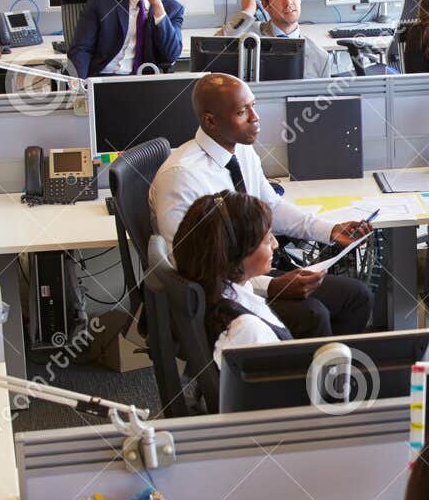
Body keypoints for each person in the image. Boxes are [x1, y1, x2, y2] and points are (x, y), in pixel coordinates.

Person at [149, 72, 374, 339]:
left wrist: (329, 230)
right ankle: (300, 375)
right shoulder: (181, 177)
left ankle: (331, 371)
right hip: (220, 293)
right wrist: (271, 286)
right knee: (313, 314)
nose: (255, 118)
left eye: (253, 106)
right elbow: (194, 265)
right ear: (211, 121)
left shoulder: (240, 148)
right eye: (243, 112)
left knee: (357, 296)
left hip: (251, 269)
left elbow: (271, 206)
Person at [172, 191, 293, 354]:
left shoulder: (222, 292)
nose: (276, 244)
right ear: (237, 252)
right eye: (266, 240)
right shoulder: (247, 331)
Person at [221, 0, 335, 79]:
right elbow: (217, 48)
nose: (288, 2)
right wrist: (248, 10)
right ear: (265, 5)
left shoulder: (320, 57)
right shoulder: (248, 37)